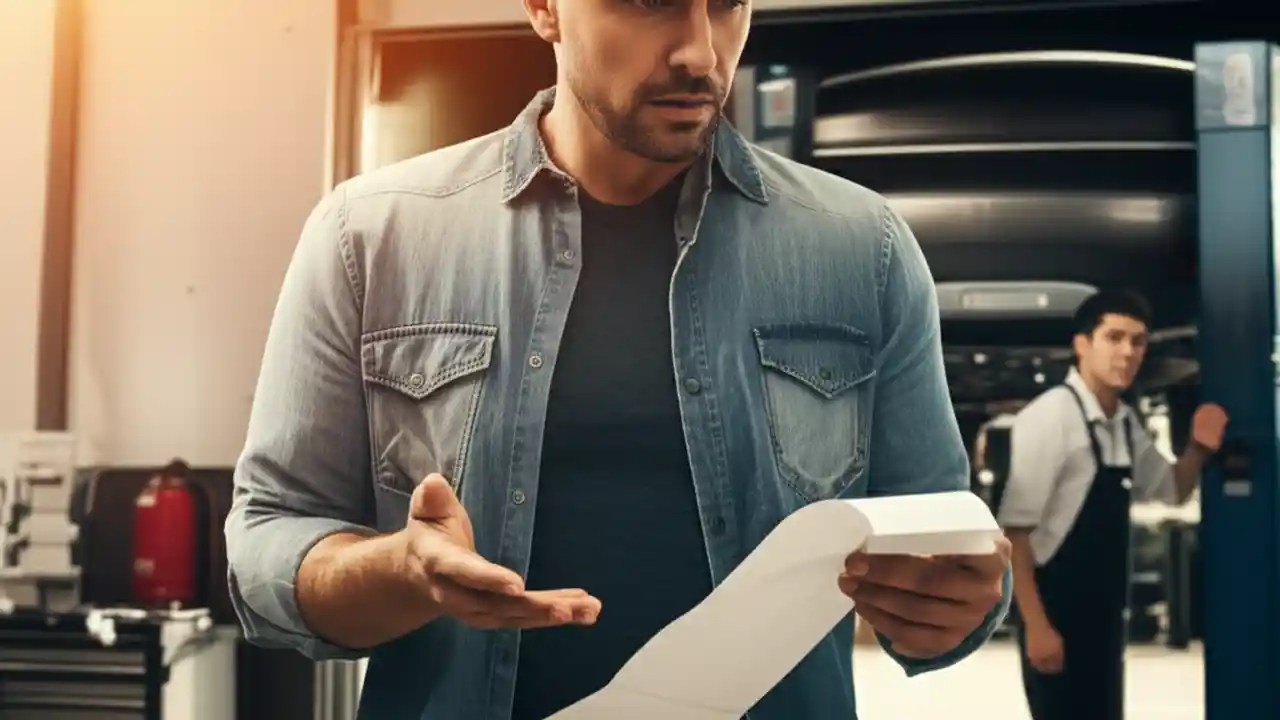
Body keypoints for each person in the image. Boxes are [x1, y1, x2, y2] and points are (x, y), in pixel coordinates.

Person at [224, 0, 1012, 717]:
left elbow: (941, 552)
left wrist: (961, 600)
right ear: (543, 8)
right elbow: (268, 548)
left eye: (728, 5)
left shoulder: (862, 249)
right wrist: (400, 572)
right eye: (651, 3)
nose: (701, 52)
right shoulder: (372, 238)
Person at [998, 290, 1228, 720]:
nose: (1128, 352)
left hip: (1104, 617)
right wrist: (1036, 628)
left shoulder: (1123, 423)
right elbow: (1015, 535)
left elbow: (1171, 490)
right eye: (1115, 337)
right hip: (1056, 614)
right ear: (1082, 345)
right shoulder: (1050, 417)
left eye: (1138, 341)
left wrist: (1198, 448)